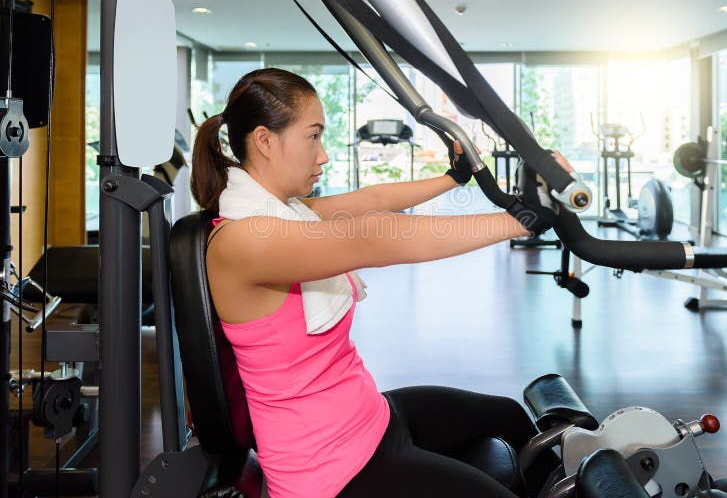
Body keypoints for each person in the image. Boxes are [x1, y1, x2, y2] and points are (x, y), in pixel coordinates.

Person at [190, 68, 559, 498]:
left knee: (509, 416)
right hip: (329, 471)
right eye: (313, 136)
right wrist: (521, 221)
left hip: (368, 417)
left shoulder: (285, 214)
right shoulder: (244, 241)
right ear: (265, 141)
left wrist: (453, 177)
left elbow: (372, 200)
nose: (323, 155)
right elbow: (372, 234)